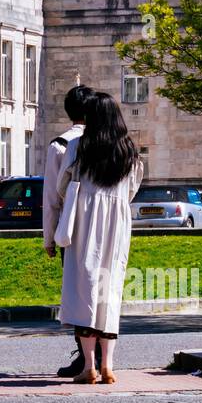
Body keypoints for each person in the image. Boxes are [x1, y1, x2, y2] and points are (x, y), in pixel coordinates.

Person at [52, 91, 144, 385]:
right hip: (116, 221)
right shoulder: (129, 151)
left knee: (84, 288)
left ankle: (88, 366)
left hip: (85, 219)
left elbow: (62, 186)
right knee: (109, 289)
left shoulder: (78, 146)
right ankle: (109, 365)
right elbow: (131, 190)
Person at [42, 84, 101, 378]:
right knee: (101, 287)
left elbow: (52, 197)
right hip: (103, 226)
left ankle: (85, 356)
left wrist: (49, 237)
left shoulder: (60, 145)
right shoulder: (106, 142)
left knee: (78, 293)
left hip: (72, 227)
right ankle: (102, 355)